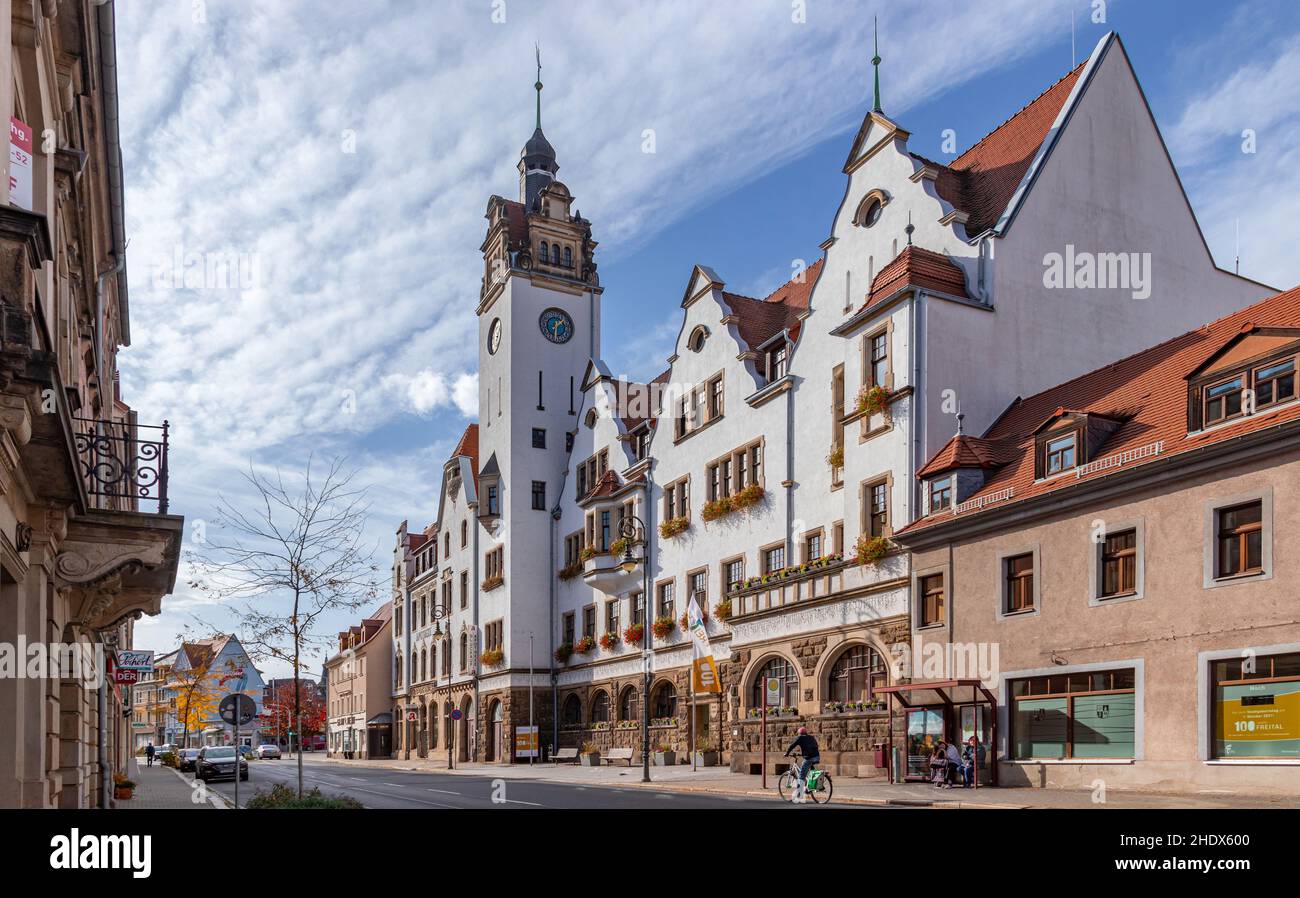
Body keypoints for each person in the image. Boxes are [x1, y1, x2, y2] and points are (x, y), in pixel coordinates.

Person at [783, 726, 821, 796]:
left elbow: (792, 745)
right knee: (809, 772)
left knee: (801, 776)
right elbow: (814, 746)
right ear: (806, 733)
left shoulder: (800, 738)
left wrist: (787, 753)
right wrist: (803, 754)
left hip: (809, 758)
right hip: (816, 757)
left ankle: (800, 792)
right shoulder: (811, 737)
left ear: (799, 733)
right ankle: (808, 786)